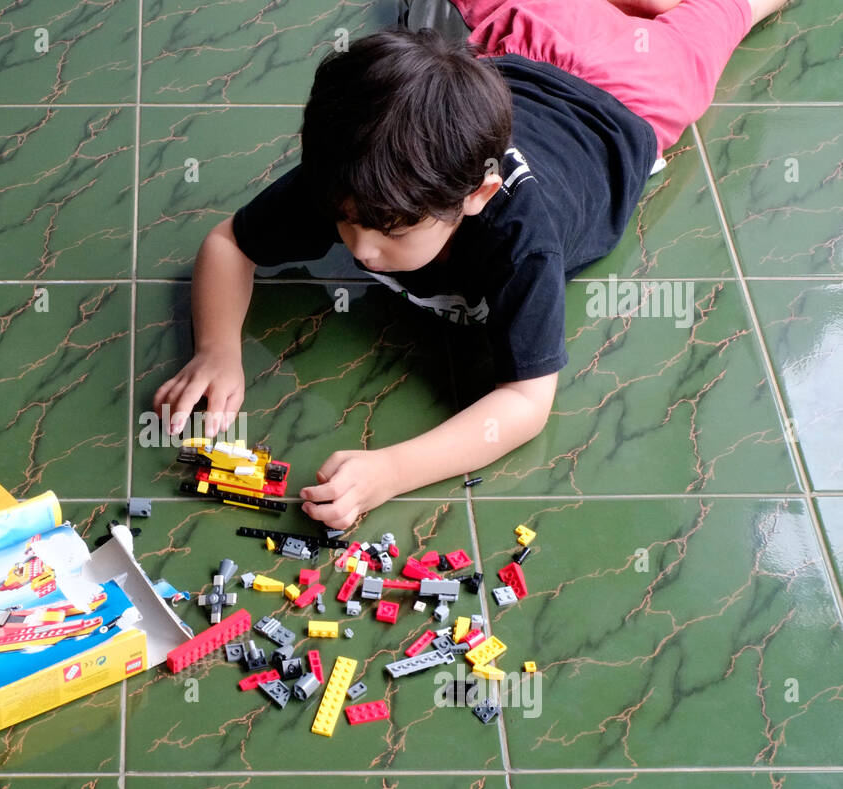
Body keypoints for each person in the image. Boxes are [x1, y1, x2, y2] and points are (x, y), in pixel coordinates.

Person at [151, 0, 791, 529]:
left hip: (636, 93)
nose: (362, 248)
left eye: (390, 231)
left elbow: (526, 400)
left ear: (477, 198)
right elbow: (229, 243)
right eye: (347, 222)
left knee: (725, 12)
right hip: (534, 40)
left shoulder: (523, 238)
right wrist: (216, 350)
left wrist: (392, 471)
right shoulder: (363, 172)